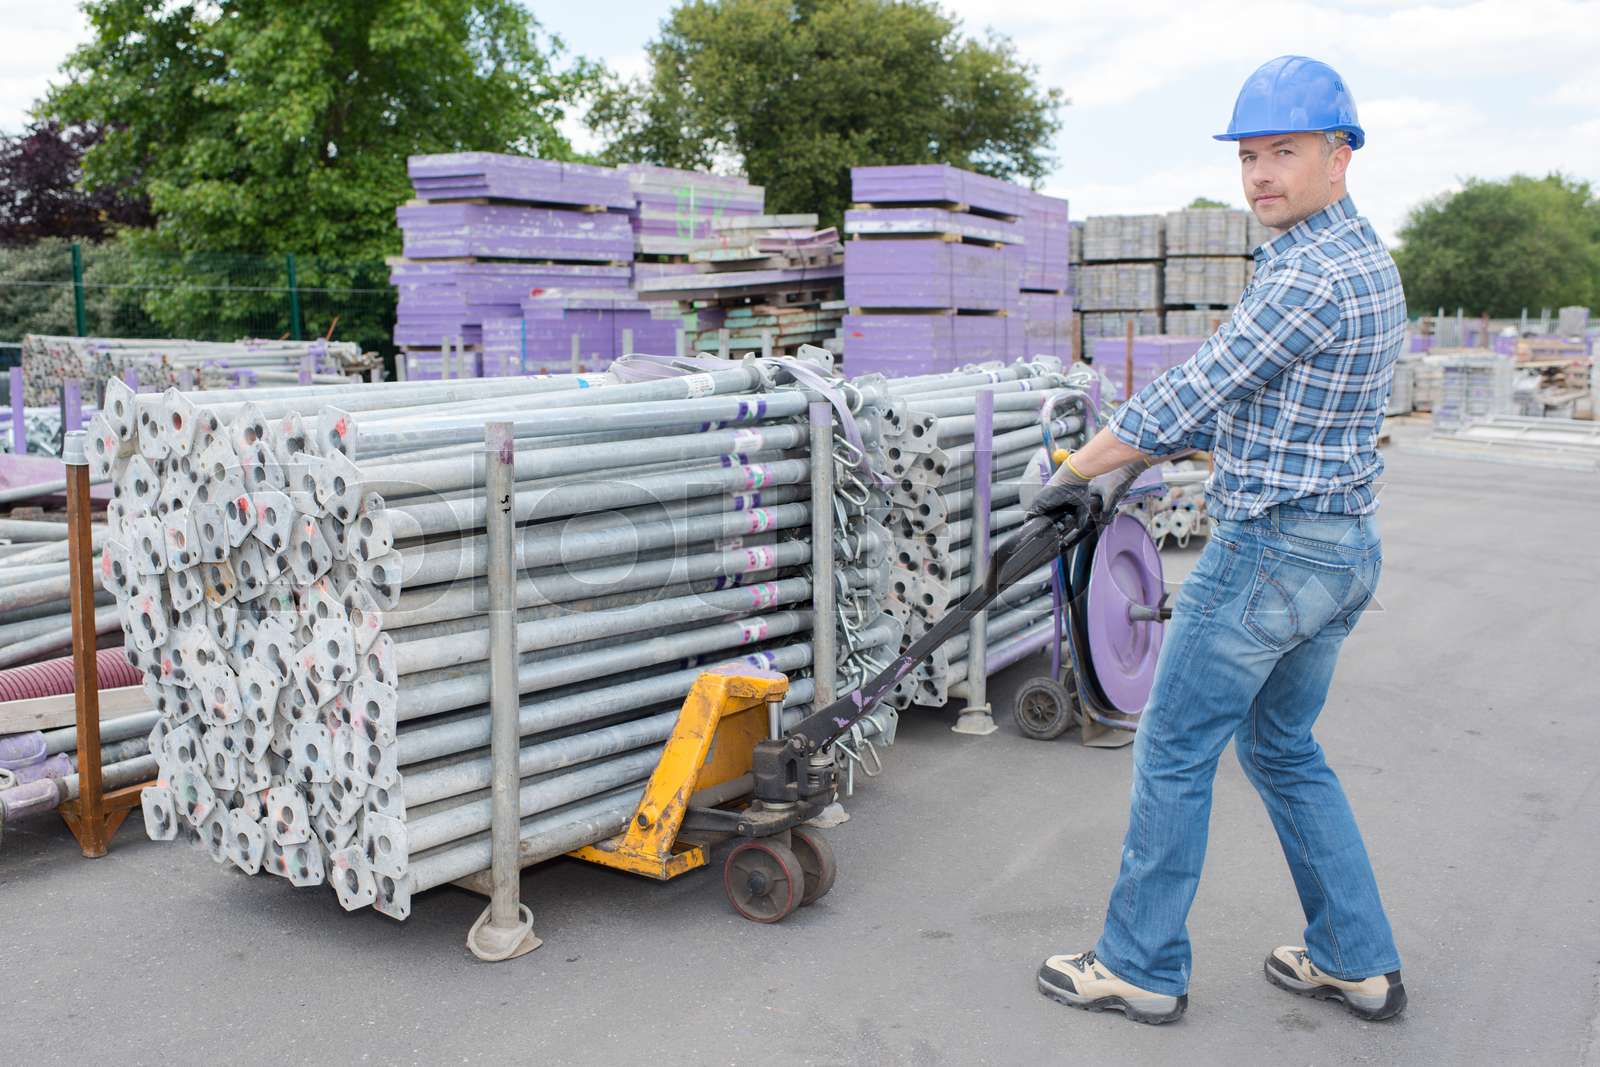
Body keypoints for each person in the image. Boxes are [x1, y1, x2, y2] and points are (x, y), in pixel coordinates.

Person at [1027, 55, 1407, 1025]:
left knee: (1172, 747)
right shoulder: (1361, 258)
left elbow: (1196, 387)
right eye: (1248, 156)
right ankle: (1354, 957)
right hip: (1339, 548)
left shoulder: (1307, 277)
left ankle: (1139, 961)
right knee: (1280, 747)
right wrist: (1147, 455)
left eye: (1283, 151)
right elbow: (1266, 404)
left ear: (1339, 156)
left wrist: (1076, 470)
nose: (1260, 175)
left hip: (1271, 554)